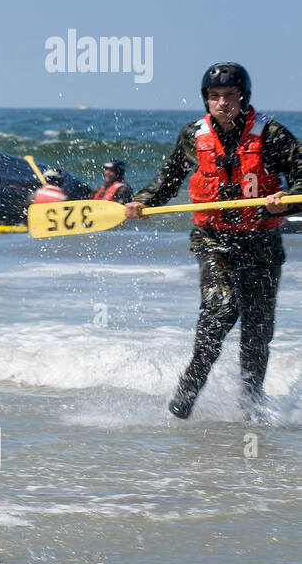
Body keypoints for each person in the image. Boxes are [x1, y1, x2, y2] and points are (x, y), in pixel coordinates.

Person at [125, 62, 302, 421]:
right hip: (213, 240)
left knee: (257, 329)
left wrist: (288, 197)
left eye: (229, 96)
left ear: (243, 97)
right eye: (214, 96)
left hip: (261, 242)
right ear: (206, 99)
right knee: (219, 310)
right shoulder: (193, 135)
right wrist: (143, 201)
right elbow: (168, 178)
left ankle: (251, 404)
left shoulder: (272, 134)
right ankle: (186, 394)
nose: (222, 103)